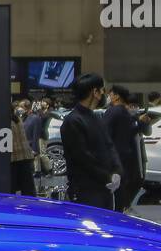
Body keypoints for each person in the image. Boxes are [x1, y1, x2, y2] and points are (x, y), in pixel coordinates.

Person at [60, 73, 122, 210]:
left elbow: (109, 145)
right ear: (95, 92)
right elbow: (82, 157)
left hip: (104, 187)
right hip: (85, 189)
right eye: (102, 90)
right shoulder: (73, 121)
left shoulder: (95, 117)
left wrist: (117, 171)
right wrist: (107, 176)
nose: (104, 94)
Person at [103, 84, 152, 212]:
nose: (109, 96)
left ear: (116, 96)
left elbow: (105, 136)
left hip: (115, 160)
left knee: (113, 196)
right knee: (122, 196)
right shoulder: (126, 113)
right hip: (128, 160)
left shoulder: (112, 112)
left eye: (110, 94)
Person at [10, 104, 36, 195]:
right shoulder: (18, 119)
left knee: (10, 188)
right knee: (28, 188)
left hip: (13, 157)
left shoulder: (7, 121)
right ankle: (31, 207)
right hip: (25, 156)